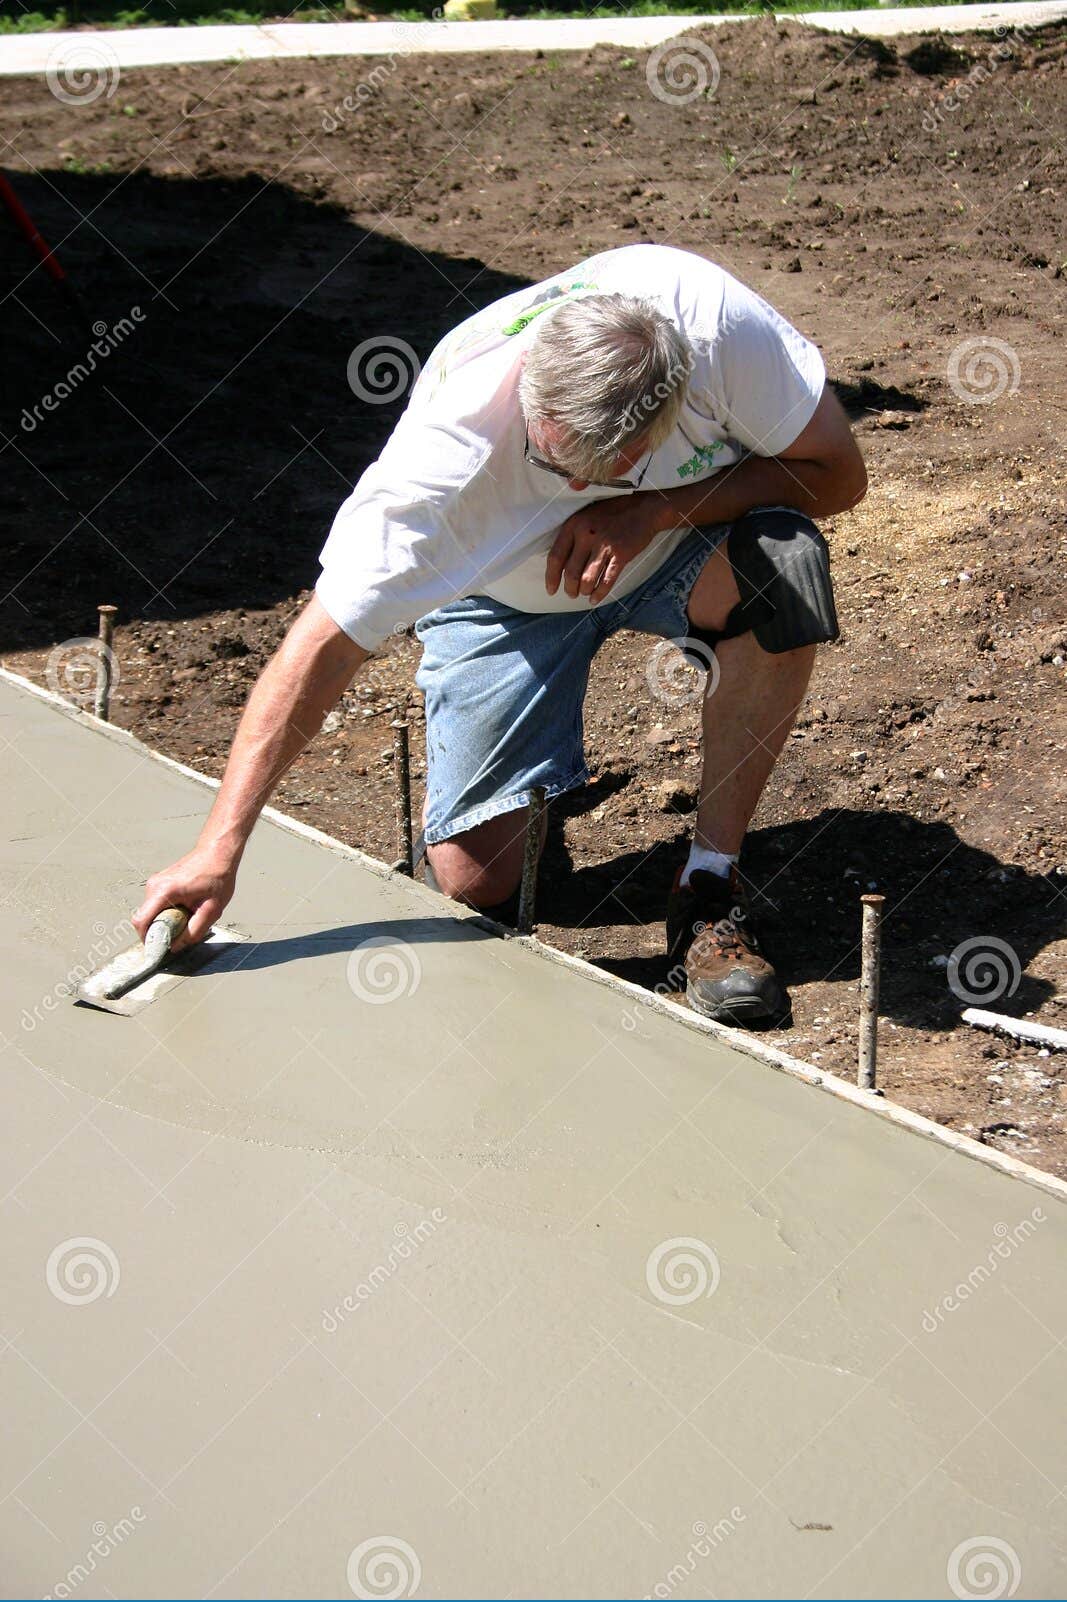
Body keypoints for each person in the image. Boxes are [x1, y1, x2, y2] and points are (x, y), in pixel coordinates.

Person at [135, 244, 866, 1025]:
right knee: (473, 885)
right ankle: (512, 810)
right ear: (529, 393)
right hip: (503, 600)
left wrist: (656, 508)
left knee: (783, 564)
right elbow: (320, 648)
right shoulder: (439, 469)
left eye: (610, 468)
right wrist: (218, 849)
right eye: (557, 465)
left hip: (676, 547)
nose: (577, 488)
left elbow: (838, 475)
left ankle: (709, 882)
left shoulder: (718, 332)